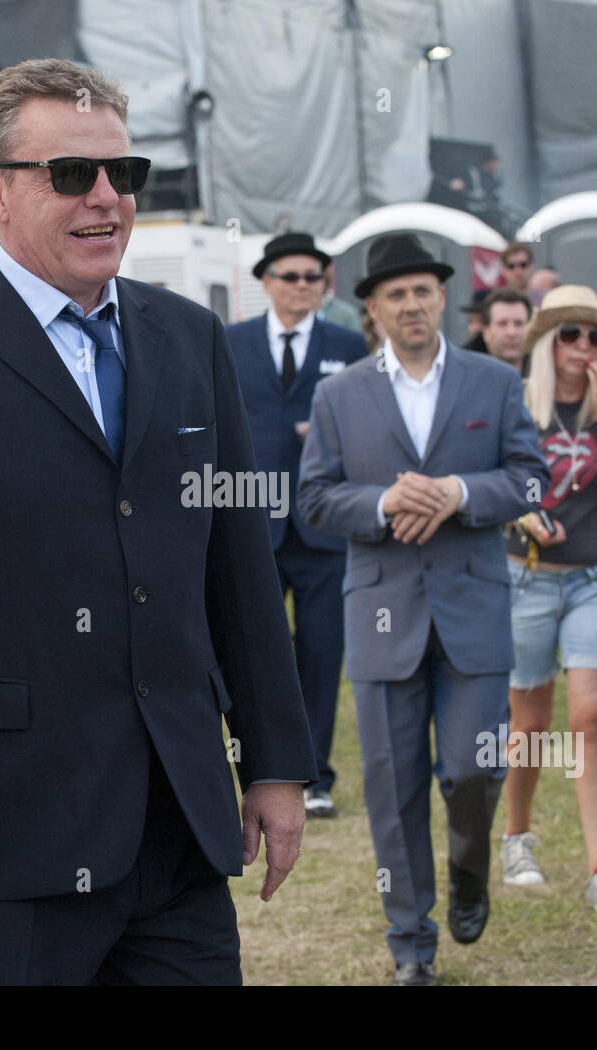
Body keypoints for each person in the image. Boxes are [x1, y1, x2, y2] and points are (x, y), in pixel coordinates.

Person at [0, 58, 315, 986]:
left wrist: (277, 762)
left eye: (123, 174)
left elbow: (238, 571)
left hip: (177, 835)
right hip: (1, 838)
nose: (105, 199)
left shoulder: (189, 338)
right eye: (71, 174)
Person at [298, 233, 548, 986]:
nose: (411, 304)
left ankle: (470, 870)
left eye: (422, 291)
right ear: (370, 308)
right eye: (394, 294)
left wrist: (460, 494)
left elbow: (530, 481)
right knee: (391, 787)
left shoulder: (492, 381)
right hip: (381, 617)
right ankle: (411, 943)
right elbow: (313, 498)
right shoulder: (338, 395)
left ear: (442, 297)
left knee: (474, 767)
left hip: (473, 610)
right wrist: (383, 500)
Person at [501, 286, 597, 910]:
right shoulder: (514, 400)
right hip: (526, 577)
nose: (584, 347)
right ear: (546, 341)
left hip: (596, 576)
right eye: (571, 334)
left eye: (595, 336)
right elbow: (494, 484)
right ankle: (517, 836)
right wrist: (524, 513)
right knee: (529, 723)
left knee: (591, 716)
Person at [227, 233, 368, 819]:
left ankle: (315, 774)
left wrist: (337, 438)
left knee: (320, 651)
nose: (303, 287)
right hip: (252, 525)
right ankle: (264, 767)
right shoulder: (231, 342)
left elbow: (371, 425)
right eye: (291, 277)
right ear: (266, 281)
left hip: (322, 527)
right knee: (259, 655)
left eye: (313, 277)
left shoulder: (349, 344)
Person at [480, 287, 532, 375]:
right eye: (502, 324)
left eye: (518, 323)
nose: (511, 332)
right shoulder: (469, 382)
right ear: (486, 332)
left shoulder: (547, 380)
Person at [317, 262, 363, 335]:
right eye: (293, 278)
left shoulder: (346, 314)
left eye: (311, 278)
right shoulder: (295, 313)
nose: (302, 284)